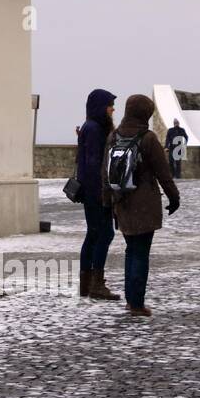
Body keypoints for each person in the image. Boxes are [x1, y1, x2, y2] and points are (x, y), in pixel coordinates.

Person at [101, 94, 180, 317]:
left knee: (130, 250)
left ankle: (131, 299)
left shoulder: (113, 136)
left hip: (122, 203)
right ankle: (136, 303)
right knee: (140, 253)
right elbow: (163, 173)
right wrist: (174, 198)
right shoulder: (147, 138)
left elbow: (104, 173)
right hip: (144, 204)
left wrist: (108, 202)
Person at [76, 89, 119, 300]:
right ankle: (96, 284)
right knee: (104, 234)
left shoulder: (90, 127)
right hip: (96, 192)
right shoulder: (94, 129)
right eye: (110, 105)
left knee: (93, 234)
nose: (113, 108)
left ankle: (86, 284)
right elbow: (94, 164)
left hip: (92, 191)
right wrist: (102, 193)